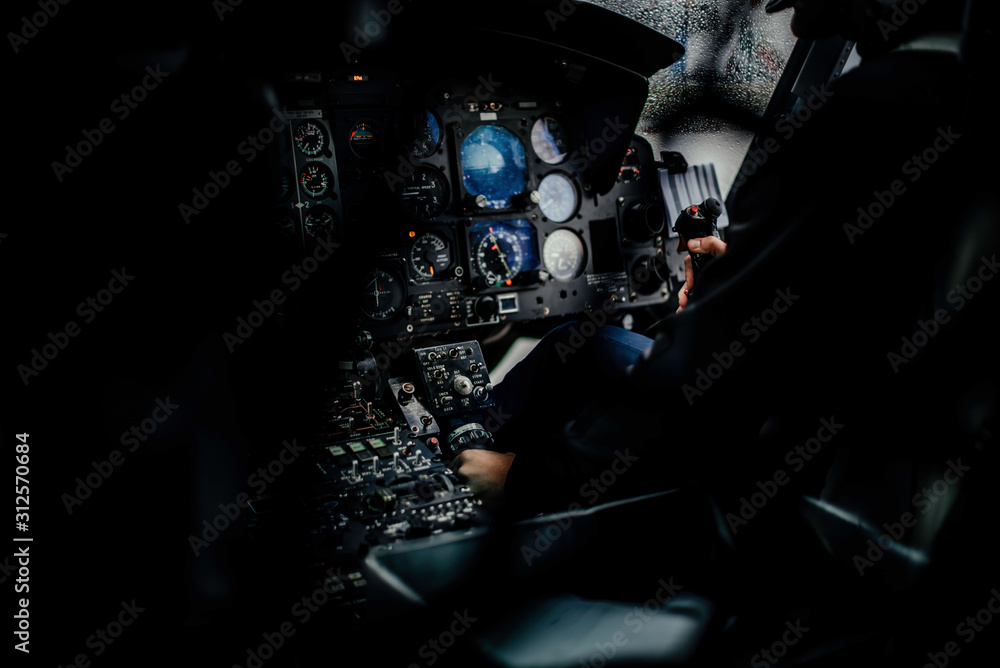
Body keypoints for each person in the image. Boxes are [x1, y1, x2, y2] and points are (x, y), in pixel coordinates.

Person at [452, 0, 983, 518]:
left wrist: (528, 481)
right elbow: (861, 289)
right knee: (578, 343)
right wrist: (739, 264)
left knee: (575, 351)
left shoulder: (862, 113)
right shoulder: (949, 92)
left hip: (780, 446)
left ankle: (450, 461)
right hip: (829, 417)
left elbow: (711, 363)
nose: (783, 15)